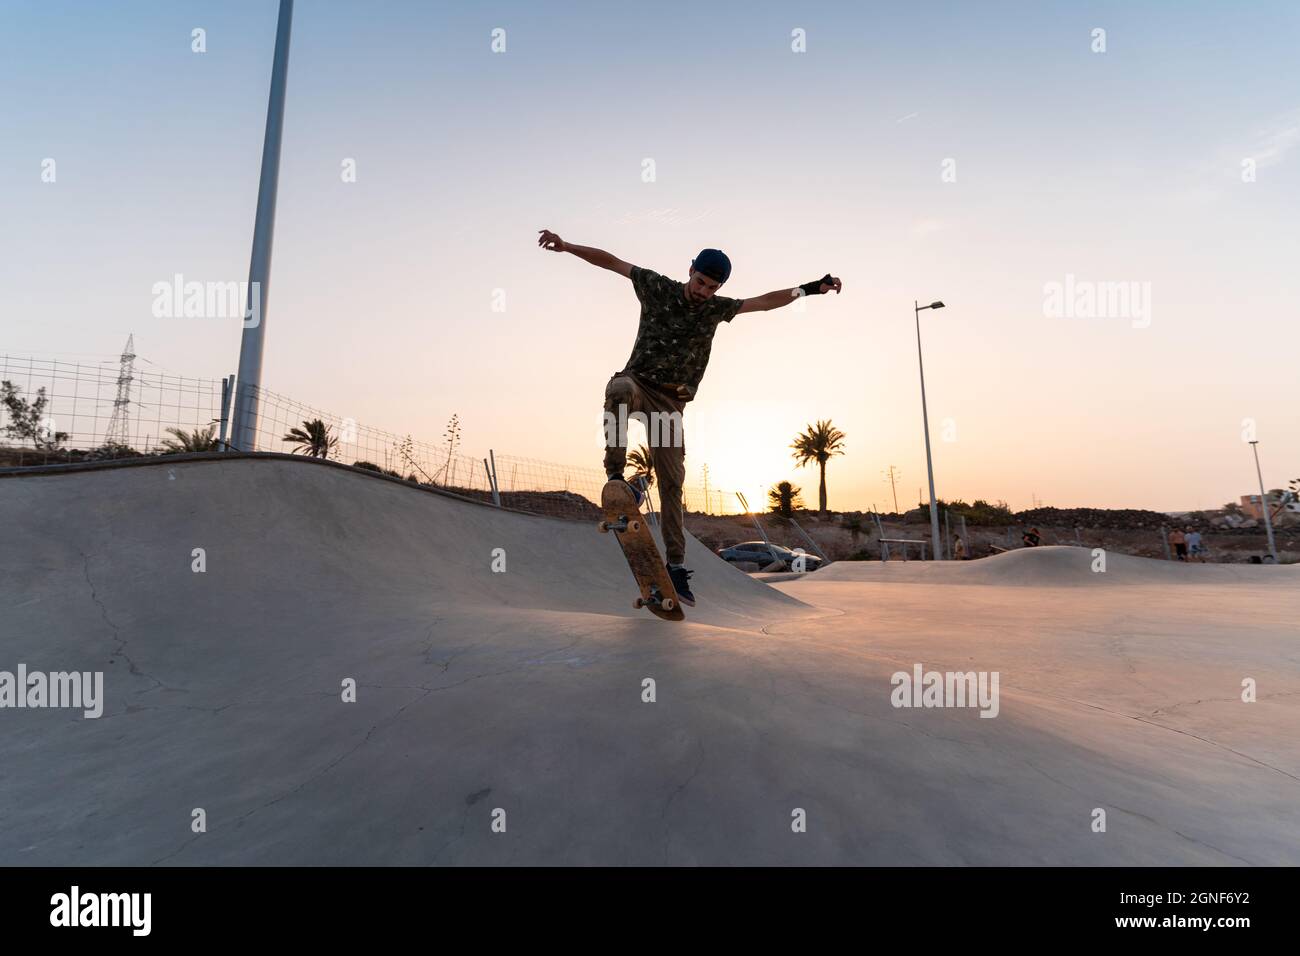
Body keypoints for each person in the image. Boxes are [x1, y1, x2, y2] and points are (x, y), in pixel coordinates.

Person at [538, 230, 841, 606]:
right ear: (690, 271)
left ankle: (676, 567)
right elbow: (612, 262)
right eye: (700, 283)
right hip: (638, 383)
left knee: (672, 485)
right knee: (618, 391)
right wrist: (567, 247)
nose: (703, 292)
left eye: (711, 288)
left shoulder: (717, 309)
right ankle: (617, 479)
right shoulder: (657, 286)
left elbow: (764, 302)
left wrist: (810, 289)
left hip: (670, 404)